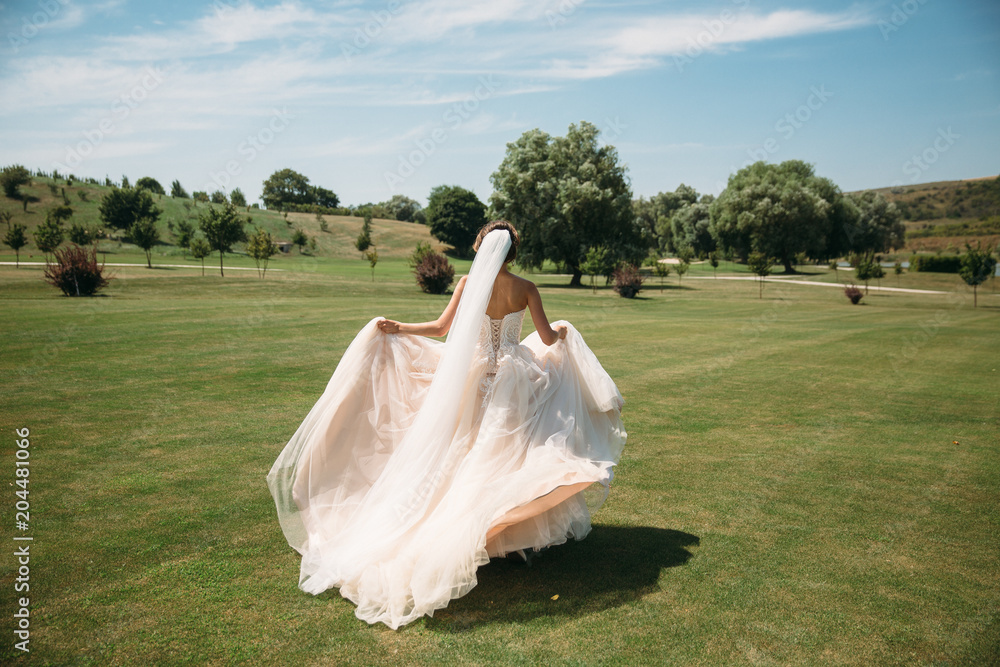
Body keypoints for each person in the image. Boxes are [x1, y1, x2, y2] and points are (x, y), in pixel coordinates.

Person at [267, 220, 627, 629]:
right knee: (508, 454)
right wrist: (563, 330)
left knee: (465, 452)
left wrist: (399, 328)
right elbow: (545, 339)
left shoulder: (469, 284)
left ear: (480, 247)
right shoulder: (526, 288)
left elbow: (440, 329)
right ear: (513, 252)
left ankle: (486, 532)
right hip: (513, 379)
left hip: (473, 378)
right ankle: (505, 537)